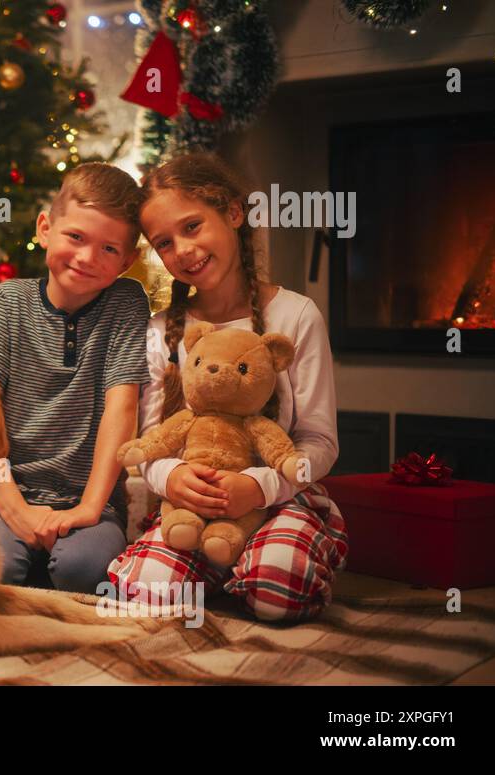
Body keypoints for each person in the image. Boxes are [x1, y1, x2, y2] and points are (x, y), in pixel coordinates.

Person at [106, 152, 347, 622]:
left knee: (280, 592)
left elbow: (319, 442)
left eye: (192, 227)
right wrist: (172, 477)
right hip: (191, 508)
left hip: (281, 500)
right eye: (165, 243)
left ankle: (269, 560)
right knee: (149, 595)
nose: (184, 250)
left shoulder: (295, 316)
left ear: (233, 213)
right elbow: (154, 443)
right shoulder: (160, 332)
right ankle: (223, 567)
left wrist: (257, 488)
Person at [0, 162, 152, 593]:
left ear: (128, 261)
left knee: (84, 571)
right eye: (76, 237)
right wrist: (13, 507)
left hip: (91, 504)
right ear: (45, 228)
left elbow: (121, 408)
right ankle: (21, 556)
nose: (88, 257)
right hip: (6, 493)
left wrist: (90, 508)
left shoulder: (126, 304)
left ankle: (50, 563)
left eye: (109, 250)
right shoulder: (6, 300)